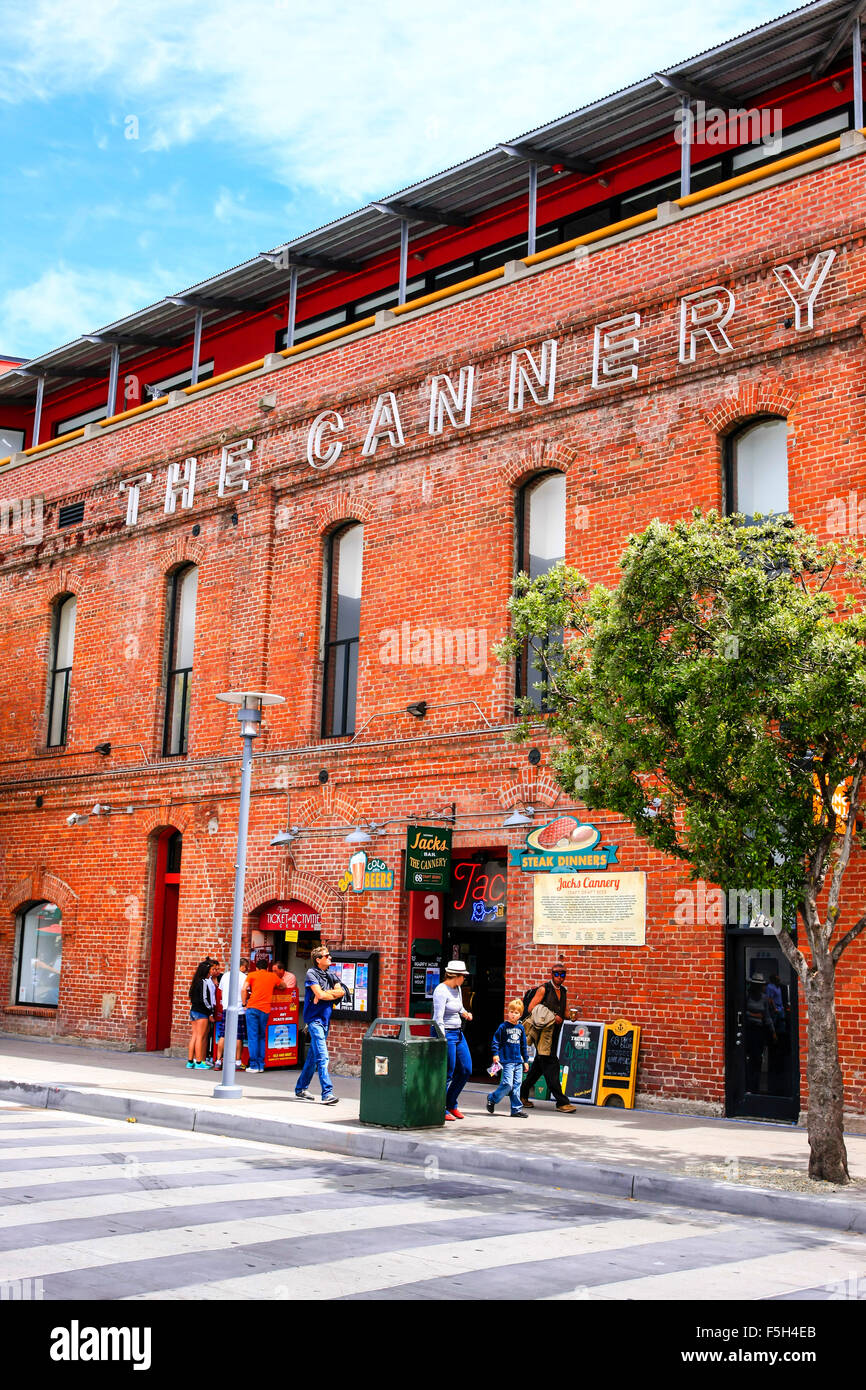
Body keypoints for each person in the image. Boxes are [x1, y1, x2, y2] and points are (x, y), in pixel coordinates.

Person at [520, 963, 576, 1112]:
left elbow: (563, 1012)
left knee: (539, 1065)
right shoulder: (544, 989)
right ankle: (561, 1102)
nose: (559, 977)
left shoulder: (563, 991)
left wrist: (571, 1015)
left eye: (563, 974)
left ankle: (522, 1093)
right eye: (557, 974)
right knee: (552, 1064)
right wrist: (552, 1016)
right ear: (551, 974)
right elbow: (531, 1009)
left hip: (555, 1033)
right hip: (543, 1034)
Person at [294, 945, 344, 1104]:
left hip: (325, 1020)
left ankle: (301, 1088)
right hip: (314, 1021)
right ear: (318, 959)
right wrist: (323, 994)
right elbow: (319, 994)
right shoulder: (311, 973)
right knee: (323, 1057)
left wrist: (323, 994)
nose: (330, 958)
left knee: (313, 1057)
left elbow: (341, 992)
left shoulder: (331, 975)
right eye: (327, 956)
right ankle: (327, 1093)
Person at [431, 960, 473, 1120]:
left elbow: (458, 1006)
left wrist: (465, 1013)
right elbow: (438, 1018)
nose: (465, 979)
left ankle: (451, 1103)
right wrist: (442, 1039)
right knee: (448, 1071)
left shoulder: (458, 988)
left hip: (458, 1032)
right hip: (446, 1033)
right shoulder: (441, 991)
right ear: (456, 976)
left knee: (466, 1069)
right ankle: (439, 1106)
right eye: (463, 976)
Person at [242, 954, 286, 1073]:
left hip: (252, 1008)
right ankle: (261, 1065)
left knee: (252, 1037)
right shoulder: (272, 976)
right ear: (267, 968)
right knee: (262, 1037)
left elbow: (244, 989)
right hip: (265, 1009)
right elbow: (284, 985)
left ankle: (254, 1065)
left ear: (256, 968)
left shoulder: (252, 975)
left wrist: (244, 1004)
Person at [486, 998, 529, 1117]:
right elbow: (496, 1041)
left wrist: (525, 1060)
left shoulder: (521, 1028)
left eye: (516, 1013)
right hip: (507, 1061)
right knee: (507, 1084)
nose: (513, 1014)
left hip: (518, 1062)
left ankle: (516, 1110)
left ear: (520, 1015)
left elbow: (523, 1046)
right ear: (508, 1012)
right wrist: (495, 1054)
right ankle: (492, 1098)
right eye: (511, 1011)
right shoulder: (503, 1027)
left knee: (517, 1085)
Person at [215, 956, 250, 1071]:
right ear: (243, 966)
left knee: (223, 1035)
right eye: (246, 967)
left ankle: (218, 1061)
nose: (247, 969)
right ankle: (237, 1062)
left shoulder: (225, 976)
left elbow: (221, 991)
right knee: (238, 1037)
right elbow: (246, 992)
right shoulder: (245, 977)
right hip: (239, 1009)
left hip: (226, 1008)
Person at [745, 974, 776, 1093]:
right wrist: (754, 1015)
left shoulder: (764, 998)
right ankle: (747, 1085)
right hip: (749, 1028)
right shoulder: (747, 996)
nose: (760, 987)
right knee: (748, 1058)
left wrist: (773, 1032)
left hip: (759, 1029)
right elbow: (741, 1012)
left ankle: (755, 1087)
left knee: (757, 1058)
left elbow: (767, 1016)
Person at [187, 959, 216, 1069]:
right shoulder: (203, 982)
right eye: (209, 970)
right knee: (200, 1037)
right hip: (201, 1012)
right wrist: (210, 1011)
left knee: (194, 1036)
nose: (210, 972)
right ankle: (199, 1062)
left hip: (194, 1010)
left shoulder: (195, 981)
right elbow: (204, 998)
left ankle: (190, 1061)